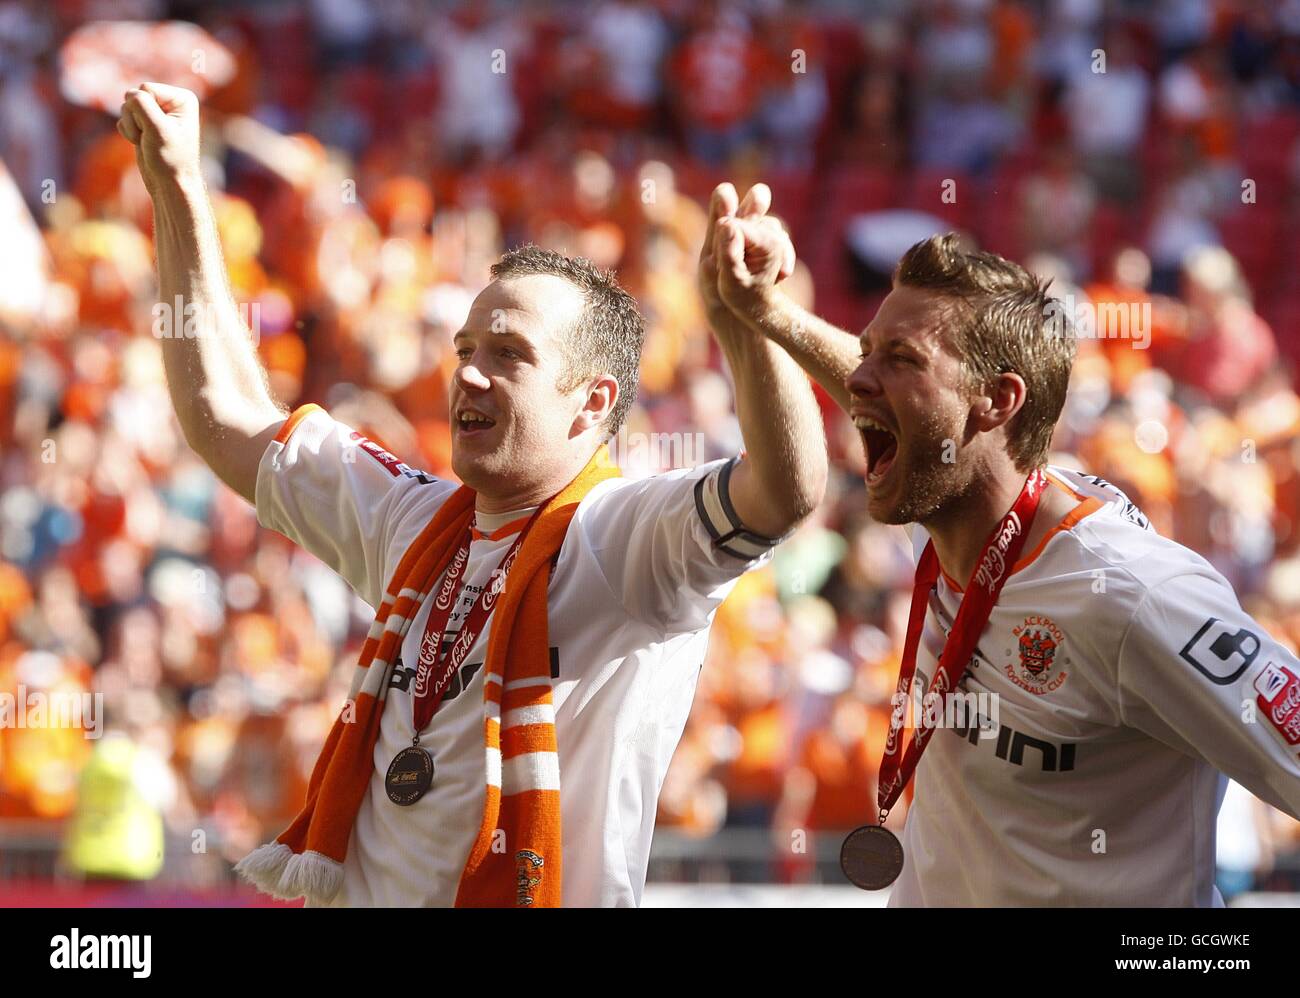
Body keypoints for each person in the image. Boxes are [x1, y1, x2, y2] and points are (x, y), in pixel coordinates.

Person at [115, 82, 827, 907]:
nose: (469, 372)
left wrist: (754, 328)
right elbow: (222, 417)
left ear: (592, 401)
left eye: (509, 353)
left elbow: (785, 491)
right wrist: (178, 188)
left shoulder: (623, 539)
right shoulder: (412, 521)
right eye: (465, 346)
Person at [710, 213, 1300, 906]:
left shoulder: (1134, 594)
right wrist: (768, 311)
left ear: (998, 402)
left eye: (900, 358)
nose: (862, 380)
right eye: (867, 352)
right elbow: (893, 402)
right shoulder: (947, 502)